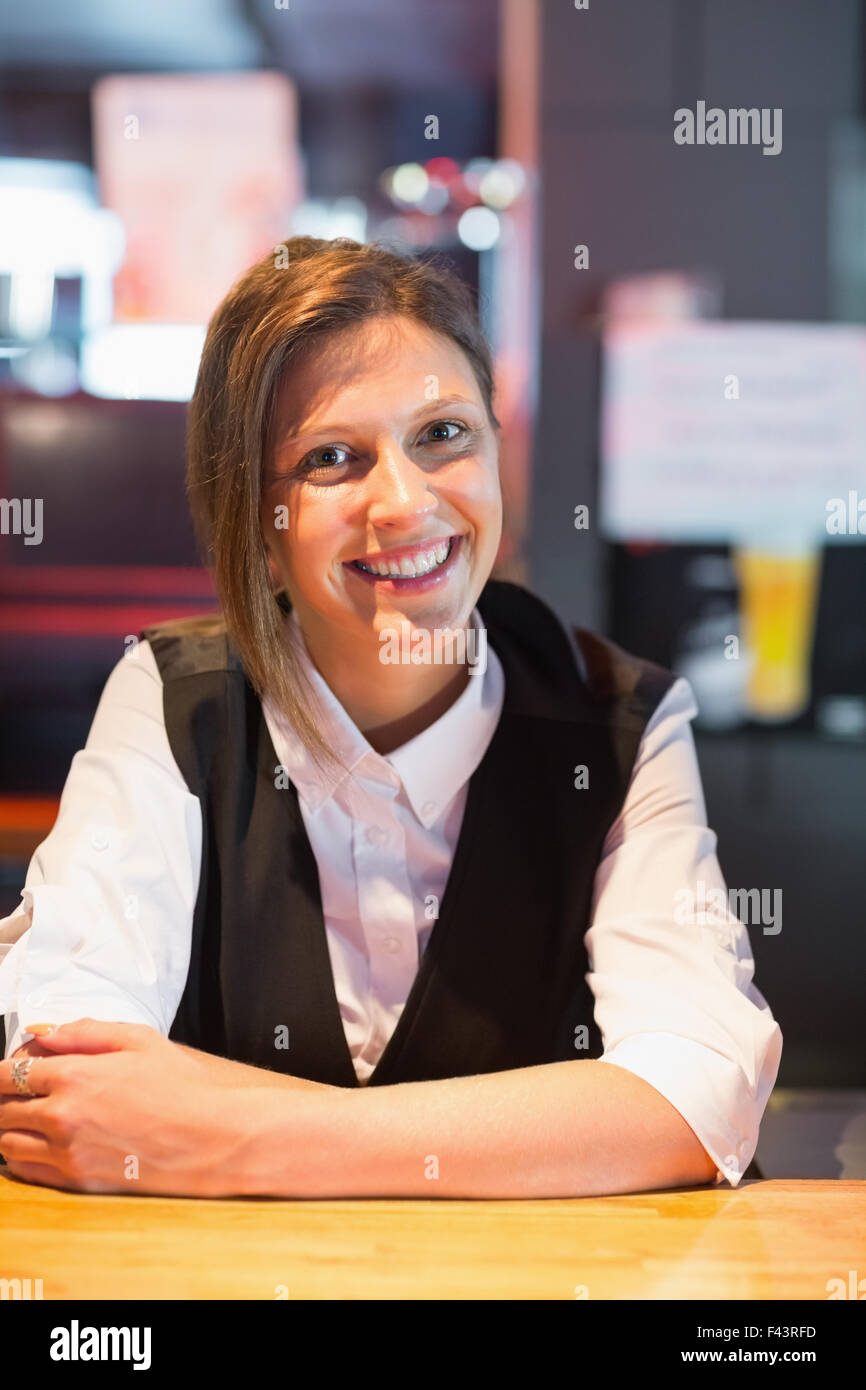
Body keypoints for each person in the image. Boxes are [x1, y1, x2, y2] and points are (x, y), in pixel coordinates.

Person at [0, 237, 781, 1198]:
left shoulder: (618, 719)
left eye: (444, 435)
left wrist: (240, 1133)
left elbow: (701, 1095)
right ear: (255, 516)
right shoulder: (175, 697)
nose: (406, 504)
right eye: (332, 458)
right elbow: (67, 1083)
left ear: (500, 450)